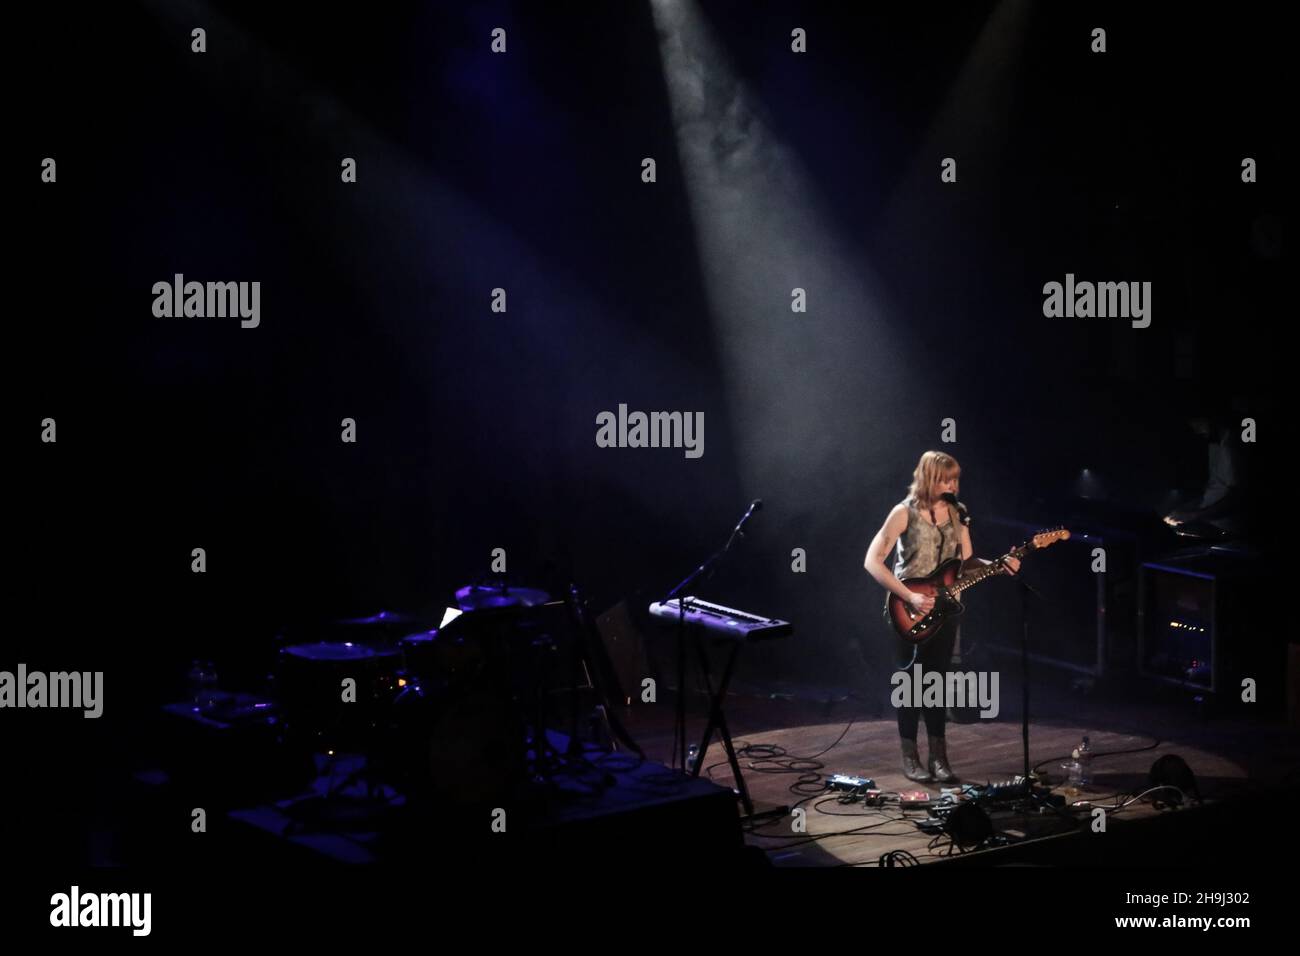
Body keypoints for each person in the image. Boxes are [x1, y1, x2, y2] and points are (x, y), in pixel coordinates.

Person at [863, 451, 1018, 784]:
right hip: (908, 608)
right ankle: (910, 755)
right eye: (946, 478)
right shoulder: (903, 513)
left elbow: (967, 561)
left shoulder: (958, 516)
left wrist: (1000, 563)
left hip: (947, 609)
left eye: (955, 479)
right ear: (929, 478)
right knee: (911, 684)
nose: (952, 485)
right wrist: (909, 596)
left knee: (937, 684)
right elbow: (872, 561)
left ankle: (939, 757)